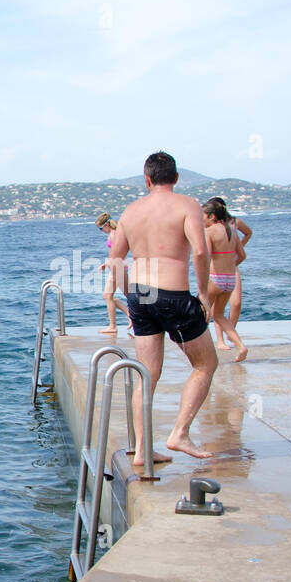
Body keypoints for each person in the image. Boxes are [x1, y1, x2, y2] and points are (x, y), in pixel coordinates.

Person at [107, 151, 217, 464]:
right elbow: (199, 251)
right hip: (173, 294)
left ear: (147, 179)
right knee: (205, 364)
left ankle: (142, 450)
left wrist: (131, 298)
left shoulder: (130, 211)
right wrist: (204, 295)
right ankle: (179, 433)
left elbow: (115, 260)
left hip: (139, 294)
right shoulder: (188, 205)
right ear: (176, 177)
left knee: (148, 374)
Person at [202, 197, 247, 361]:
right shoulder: (231, 231)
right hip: (230, 279)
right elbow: (242, 255)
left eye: (204, 217)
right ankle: (241, 346)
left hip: (215, 279)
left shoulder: (210, 232)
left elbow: (205, 257)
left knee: (202, 314)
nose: (203, 220)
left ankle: (202, 352)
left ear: (212, 216)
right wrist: (229, 265)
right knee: (219, 315)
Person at [96, 212, 130, 334]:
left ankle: (113, 325)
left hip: (117, 267)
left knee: (110, 296)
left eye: (101, 228)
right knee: (111, 296)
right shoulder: (116, 233)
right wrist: (107, 264)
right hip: (116, 266)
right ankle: (130, 316)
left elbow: (118, 253)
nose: (101, 231)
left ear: (106, 225)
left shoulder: (114, 235)